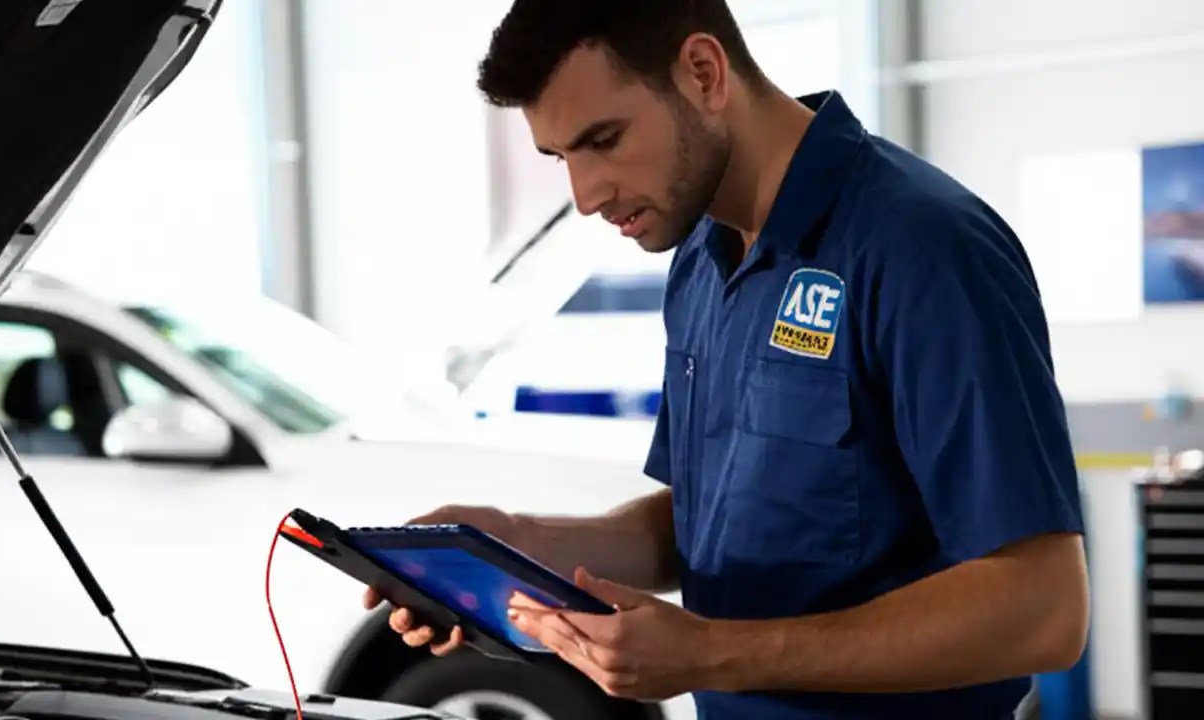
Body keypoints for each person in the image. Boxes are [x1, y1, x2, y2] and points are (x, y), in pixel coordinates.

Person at [364, 0, 1090, 717]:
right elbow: (700, 524)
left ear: (704, 73)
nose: (585, 196)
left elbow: (1044, 608)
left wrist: (711, 653)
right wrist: (516, 544)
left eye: (604, 140)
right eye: (562, 159)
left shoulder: (923, 247)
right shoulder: (701, 261)